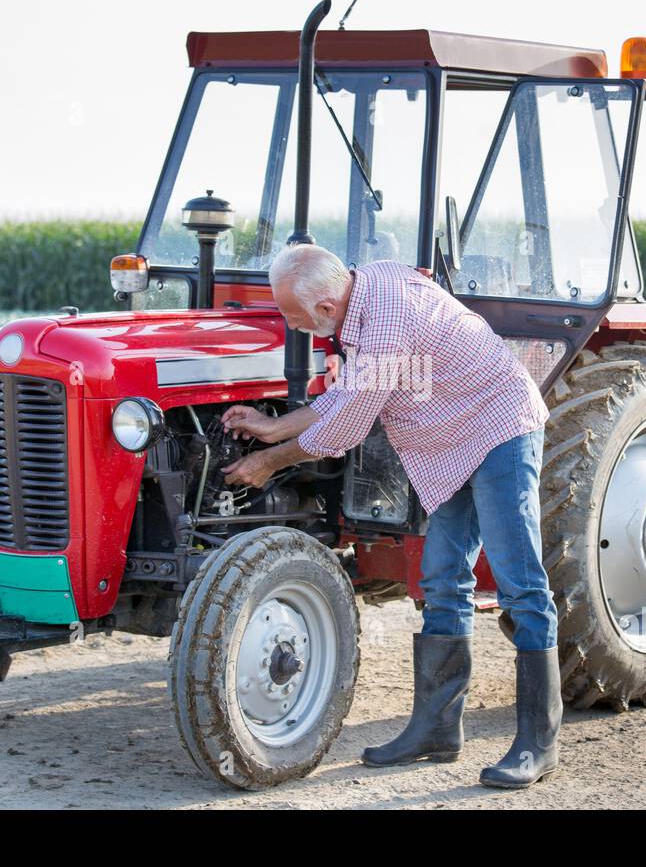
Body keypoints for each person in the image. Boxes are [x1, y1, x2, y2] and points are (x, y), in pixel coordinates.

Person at [220, 243, 562, 789]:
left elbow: (344, 429)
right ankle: (436, 729)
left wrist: (266, 460)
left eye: (290, 314)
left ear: (326, 308)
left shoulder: (383, 323)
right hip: (451, 436)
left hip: (499, 426)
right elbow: (348, 396)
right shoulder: (364, 291)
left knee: (520, 581)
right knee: (441, 579)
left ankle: (537, 743)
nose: (287, 322)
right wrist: (271, 425)